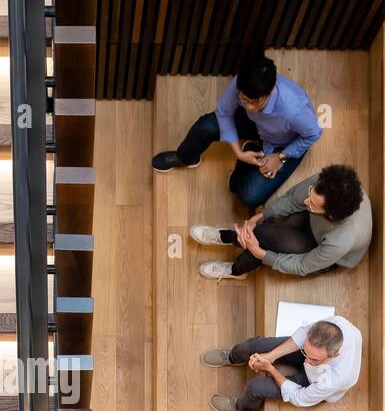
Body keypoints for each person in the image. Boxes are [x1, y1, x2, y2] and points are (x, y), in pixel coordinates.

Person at [151, 54, 322, 209]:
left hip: (283, 144)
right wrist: (238, 152)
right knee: (205, 126)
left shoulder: (295, 111)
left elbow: (313, 134)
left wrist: (281, 157)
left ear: (269, 93)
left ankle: (247, 161)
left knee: (249, 197)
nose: (246, 105)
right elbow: (224, 112)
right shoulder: (242, 85)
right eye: (243, 99)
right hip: (255, 123)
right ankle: (185, 157)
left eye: (253, 102)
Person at [191, 164, 371, 280]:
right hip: (315, 222)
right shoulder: (327, 184)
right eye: (310, 194)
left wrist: (261, 254)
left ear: (331, 215)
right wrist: (262, 216)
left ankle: (236, 267)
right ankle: (236, 249)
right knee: (265, 233)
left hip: (323, 251)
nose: (306, 201)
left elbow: (302, 265)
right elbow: (293, 199)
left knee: (263, 237)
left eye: (313, 204)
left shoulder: (340, 241)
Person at [202, 315, 362, 411]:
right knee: (256, 345)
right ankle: (232, 357)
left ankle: (242, 409)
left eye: (313, 359)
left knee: (255, 386)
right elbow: (303, 334)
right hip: (316, 355)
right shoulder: (338, 323)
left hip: (314, 381)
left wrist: (270, 369)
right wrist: (271, 356)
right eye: (305, 352)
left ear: (333, 356)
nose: (306, 361)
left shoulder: (333, 380)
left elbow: (298, 397)